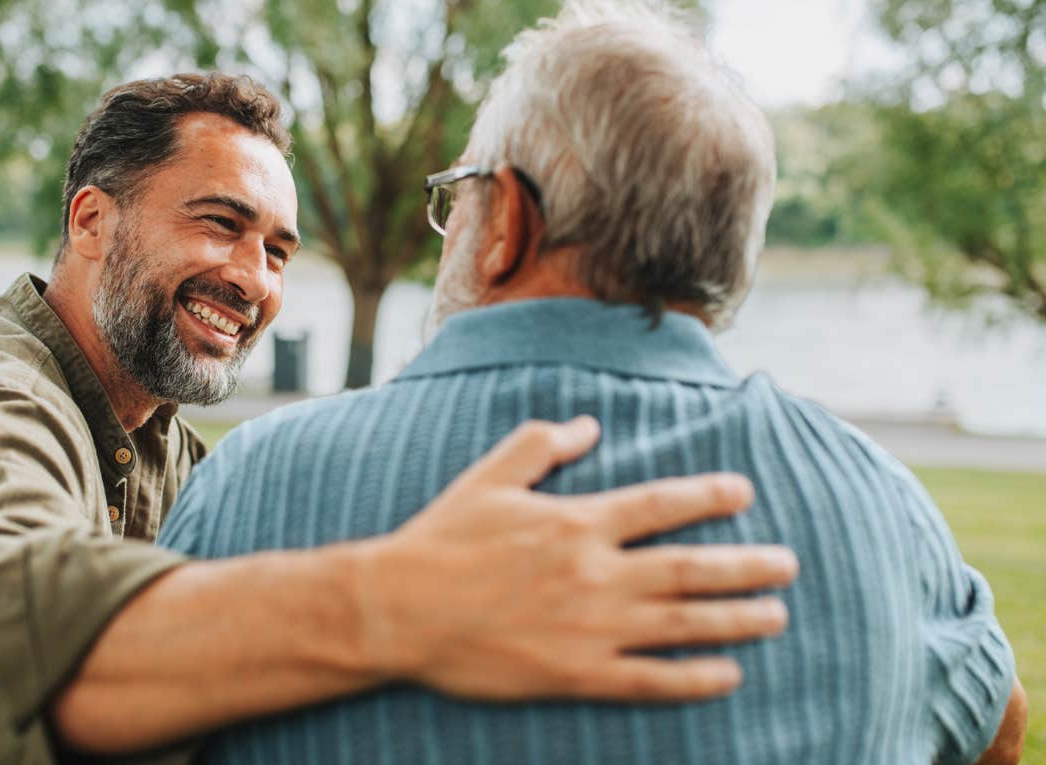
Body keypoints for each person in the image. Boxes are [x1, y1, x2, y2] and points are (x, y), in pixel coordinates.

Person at [0, 74, 802, 764]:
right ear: (92, 220)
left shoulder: (161, 440)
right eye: (219, 223)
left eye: (276, 250)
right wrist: (410, 602)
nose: (251, 278)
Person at [156, 3, 1028, 763]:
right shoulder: (884, 508)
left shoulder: (251, 486)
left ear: (509, 224)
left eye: (458, 194)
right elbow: (1000, 716)